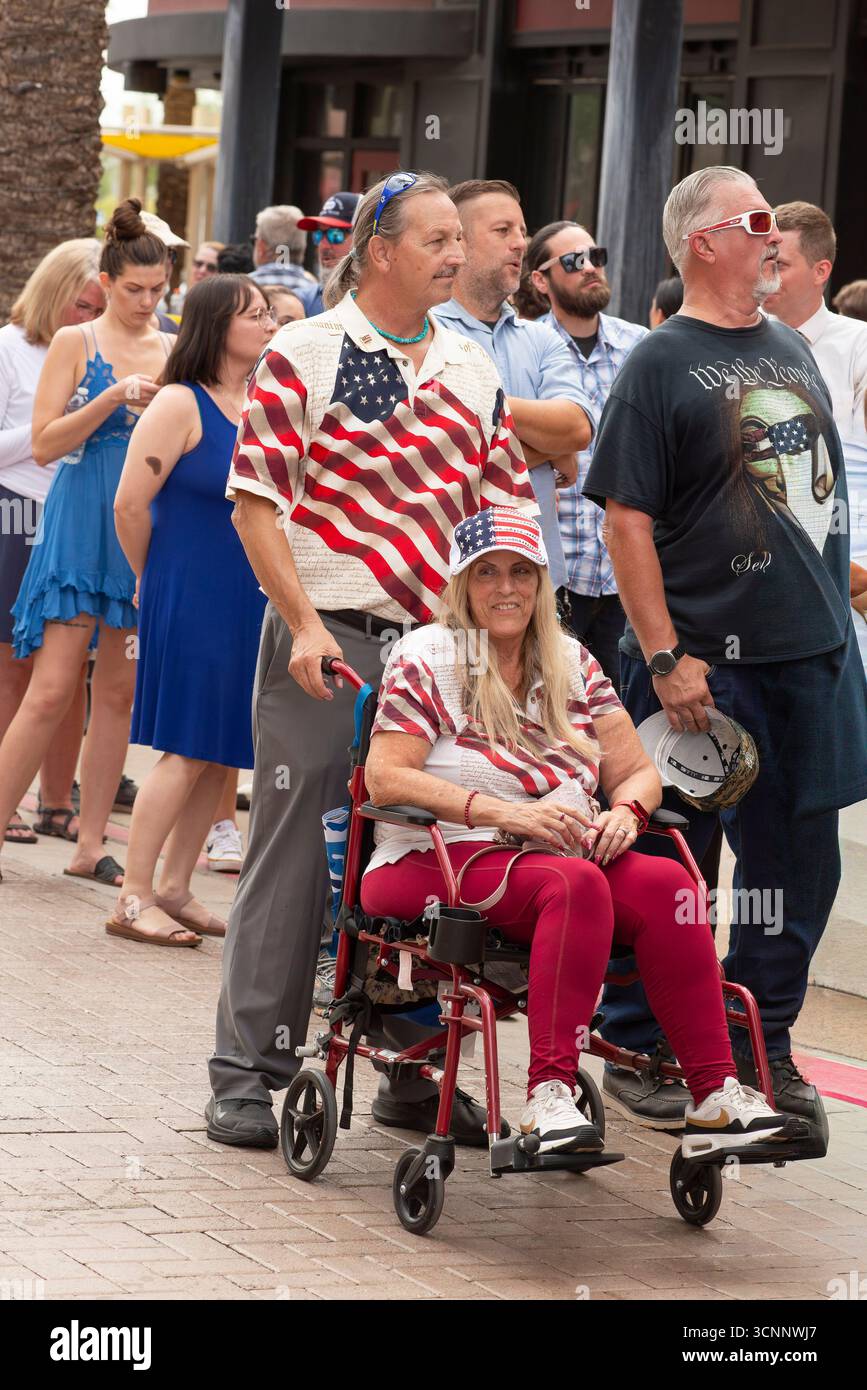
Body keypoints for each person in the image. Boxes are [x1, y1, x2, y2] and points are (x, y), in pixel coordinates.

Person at [205, 170, 537, 1151]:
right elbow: (254, 500)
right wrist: (303, 624)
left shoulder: (474, 369)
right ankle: (248, 1070)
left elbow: (501, 516)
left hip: (438, 652)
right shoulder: (303, 350)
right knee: (296, 850)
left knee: (425, 852)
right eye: (437, 237)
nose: (458, 253)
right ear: (378, 248)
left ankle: (412, 1067)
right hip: (327, 637)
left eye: (458, 237)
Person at [361, 509, 794, 1155]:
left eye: (520, 573)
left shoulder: (568, 659)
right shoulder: (426, 655)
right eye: (486, 573)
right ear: (460, 584)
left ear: (540, 585)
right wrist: (500, 811)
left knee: (668, 882)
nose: (505, 588)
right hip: (436, 854)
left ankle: (711, 1095)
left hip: (556, 853)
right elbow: (384, 779)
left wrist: (627, 812)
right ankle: (548, 1098)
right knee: (574, 884)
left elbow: (636, 771)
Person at [583, 167, 867, 1131]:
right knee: (671, 865)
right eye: (754, 221)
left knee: (797, 865)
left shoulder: (786, 341)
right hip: (701, 668)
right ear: (704, 242)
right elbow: (626, 521)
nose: (773, 235)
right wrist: (665, 659)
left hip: (809, 655)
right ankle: (639, 1038)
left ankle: (759, 1044)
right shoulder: (658, 362)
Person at [0, 200, 174, 887]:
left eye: (157, 290)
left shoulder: (171, 345)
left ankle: (89, 841)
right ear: (105, 281)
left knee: (120, 695)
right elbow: (44, 442)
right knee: (50, 688)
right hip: (77, 521)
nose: (146, 302)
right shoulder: (77, 343)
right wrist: (109, 400)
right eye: (133, 289)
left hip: (139, 525)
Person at [111, 275, 274, 946]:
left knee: (217, 751)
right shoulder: (179, 402)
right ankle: (133, 893)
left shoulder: (259, 402)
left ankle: (176, 888)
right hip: (188, 589)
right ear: (219, 327)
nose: (269, 324)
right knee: (182, 748)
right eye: (256, 315)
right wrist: (152, 577)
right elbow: (127, 504)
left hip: (246, 593)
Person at [435, 182, 595, 613]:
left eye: (522, 231)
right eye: (503, 230)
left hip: (537, 582)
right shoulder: (424, 332)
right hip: (445, 582)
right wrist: (547, 452)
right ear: (459, 243)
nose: (520, 243)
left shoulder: (542, 338)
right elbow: (441, 450)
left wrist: (475, 405)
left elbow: (577, 430)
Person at [0, 239, 104, 846]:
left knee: (74, 671)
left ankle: (57, 800)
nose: (89, 320)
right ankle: (8, 798)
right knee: (15, 665)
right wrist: (57, 418)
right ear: (54, 293)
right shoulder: (12, 347)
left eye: (99, 308)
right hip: (15, 507)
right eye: (82, 306)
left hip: (79, 514)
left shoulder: (101, 350)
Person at [515, 221, 647, 687]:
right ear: (540, 279)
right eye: (573, 261)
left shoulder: (640, 346)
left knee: (620, 719)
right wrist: (555, 448)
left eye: (596, 256)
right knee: (546, 705)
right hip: (552, 571)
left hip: (626, 575)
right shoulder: (526, 346)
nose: (590, 268)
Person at [766, 202, 867, 445]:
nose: (765, 274)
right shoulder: (736, 336)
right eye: (763, 261)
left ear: (821, 271)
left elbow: (858, 462)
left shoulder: (859, 345)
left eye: (779, 265)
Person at [297, 192, 360, 318]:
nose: (323, 245)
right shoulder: (301, 302)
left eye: (335, 235)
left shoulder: (379, 301)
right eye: (318, 235)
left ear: (361, 238)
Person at [249, 205, 317, 307]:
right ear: (304, 247)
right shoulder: (317, 294)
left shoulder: (243, 290)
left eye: (254, 240)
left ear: (261, 246)